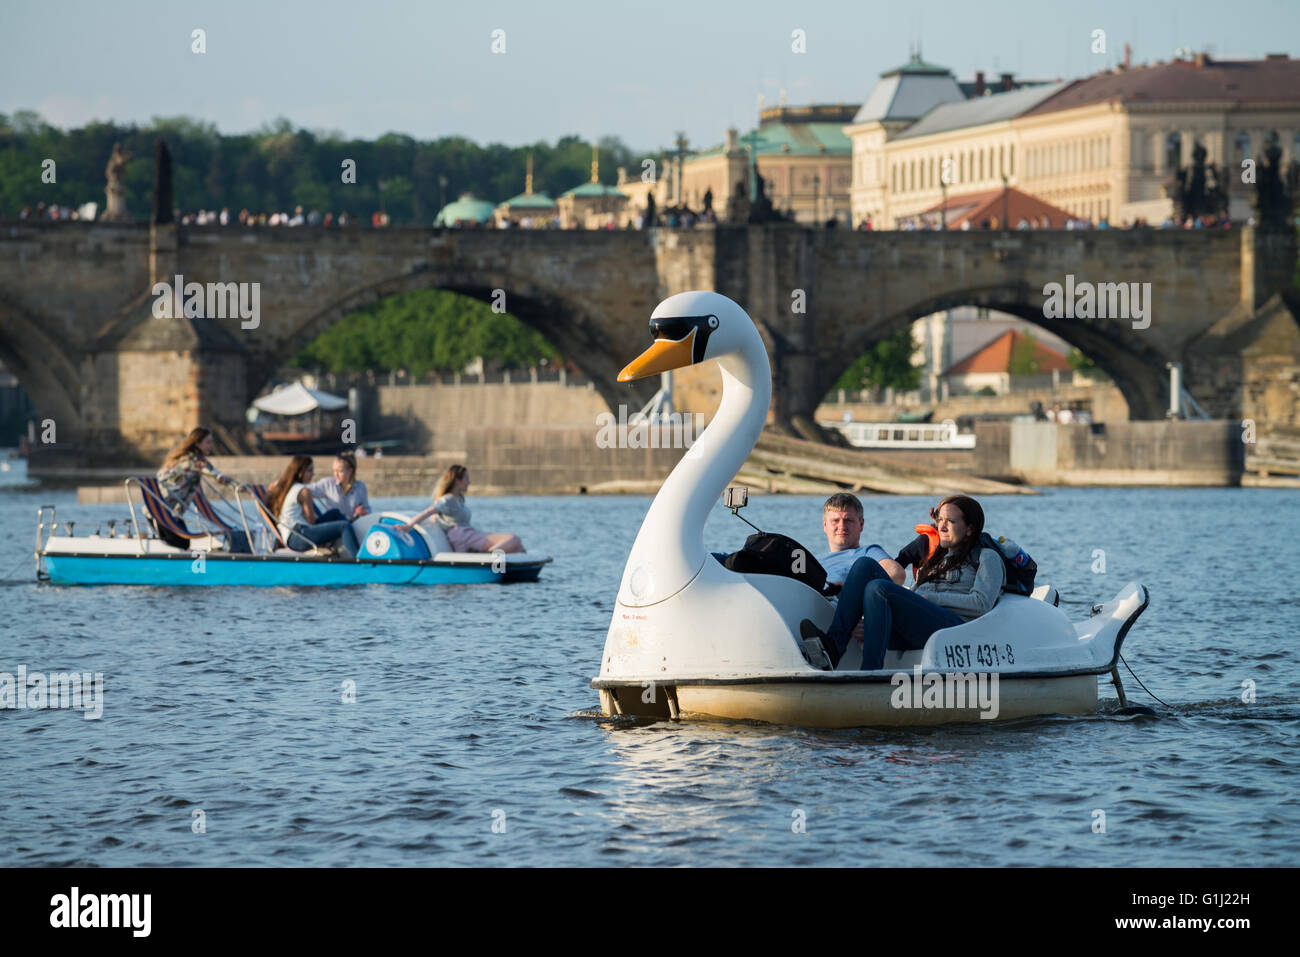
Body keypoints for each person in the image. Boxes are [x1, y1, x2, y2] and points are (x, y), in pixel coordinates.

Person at [802, 495, 1004, 670]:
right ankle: (834, 647)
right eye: (939, 519)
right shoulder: (935, 560)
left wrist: (931, 598)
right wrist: (868, 617)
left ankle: (869, 672)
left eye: (950, 521)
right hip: (915, 627)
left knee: (878, 587)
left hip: (952, 628)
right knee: (864, 565)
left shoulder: (987, 557)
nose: (941, 526)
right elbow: (914, 595)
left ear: (970, 528)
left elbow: (981, 604)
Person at [155, 427, 251, 552]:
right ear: (197, 443)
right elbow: (218, 476)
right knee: (182, 544)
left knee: (184, 543)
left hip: (161, 513)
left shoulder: (180, 459)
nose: (211, 446)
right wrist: (244, 489)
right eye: (208, 442)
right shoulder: (196, 461)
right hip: (165, 514)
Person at [395, 464, 523, 553]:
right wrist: (408, 526)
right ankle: (493, 561)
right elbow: (428, 512)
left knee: (519, 548)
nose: (469, 482)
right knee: (512, 539)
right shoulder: (448, 499)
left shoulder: (459, 499)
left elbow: (437, 518)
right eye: (466, 478)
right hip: (462, 536)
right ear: (457, 481)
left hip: (468, 533)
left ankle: (507, 569)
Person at [267, 455, 359, 558]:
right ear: (300, 472)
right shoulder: (304, 492)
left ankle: (350, 543)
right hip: (299, 537)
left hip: (295, 534)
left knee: (335, 513)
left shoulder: (288, 487)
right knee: (344, 526)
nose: (313, 474)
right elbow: (311, 522)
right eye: (310, 471)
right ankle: (358, 560)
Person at [307, 451, 371, 519]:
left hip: (354, 524)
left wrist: (363, 511)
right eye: (334, 470)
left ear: (350, 470)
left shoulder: (360, 486)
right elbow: (304, 490)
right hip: (334, 525)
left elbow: (368, 510)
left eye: (340, 471)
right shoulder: (327, 483)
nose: (336, 474)